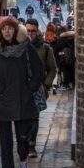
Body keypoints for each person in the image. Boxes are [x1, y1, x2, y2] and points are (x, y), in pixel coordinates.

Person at [0, 17, 43, 168]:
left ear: (16, 30)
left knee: (22, 138)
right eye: (4, 29)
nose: (7, 32)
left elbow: (38, 69)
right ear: (0, 31)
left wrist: (30, 88)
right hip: (4, 100)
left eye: (10, 28)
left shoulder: (26, 47)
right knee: (5, 142)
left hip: (23, 99)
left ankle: (23, 161)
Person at [24, 19, 57, 157]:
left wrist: (46, 85)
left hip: (38, 88)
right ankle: (23, 141)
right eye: (28, 30)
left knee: (34, 117)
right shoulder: (19, 45)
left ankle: (31, 144)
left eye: (33, 30)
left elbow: (52, 69)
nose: (30, 33)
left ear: (37, 31)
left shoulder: (45, 48)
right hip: (22, 87)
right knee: (23, 117)